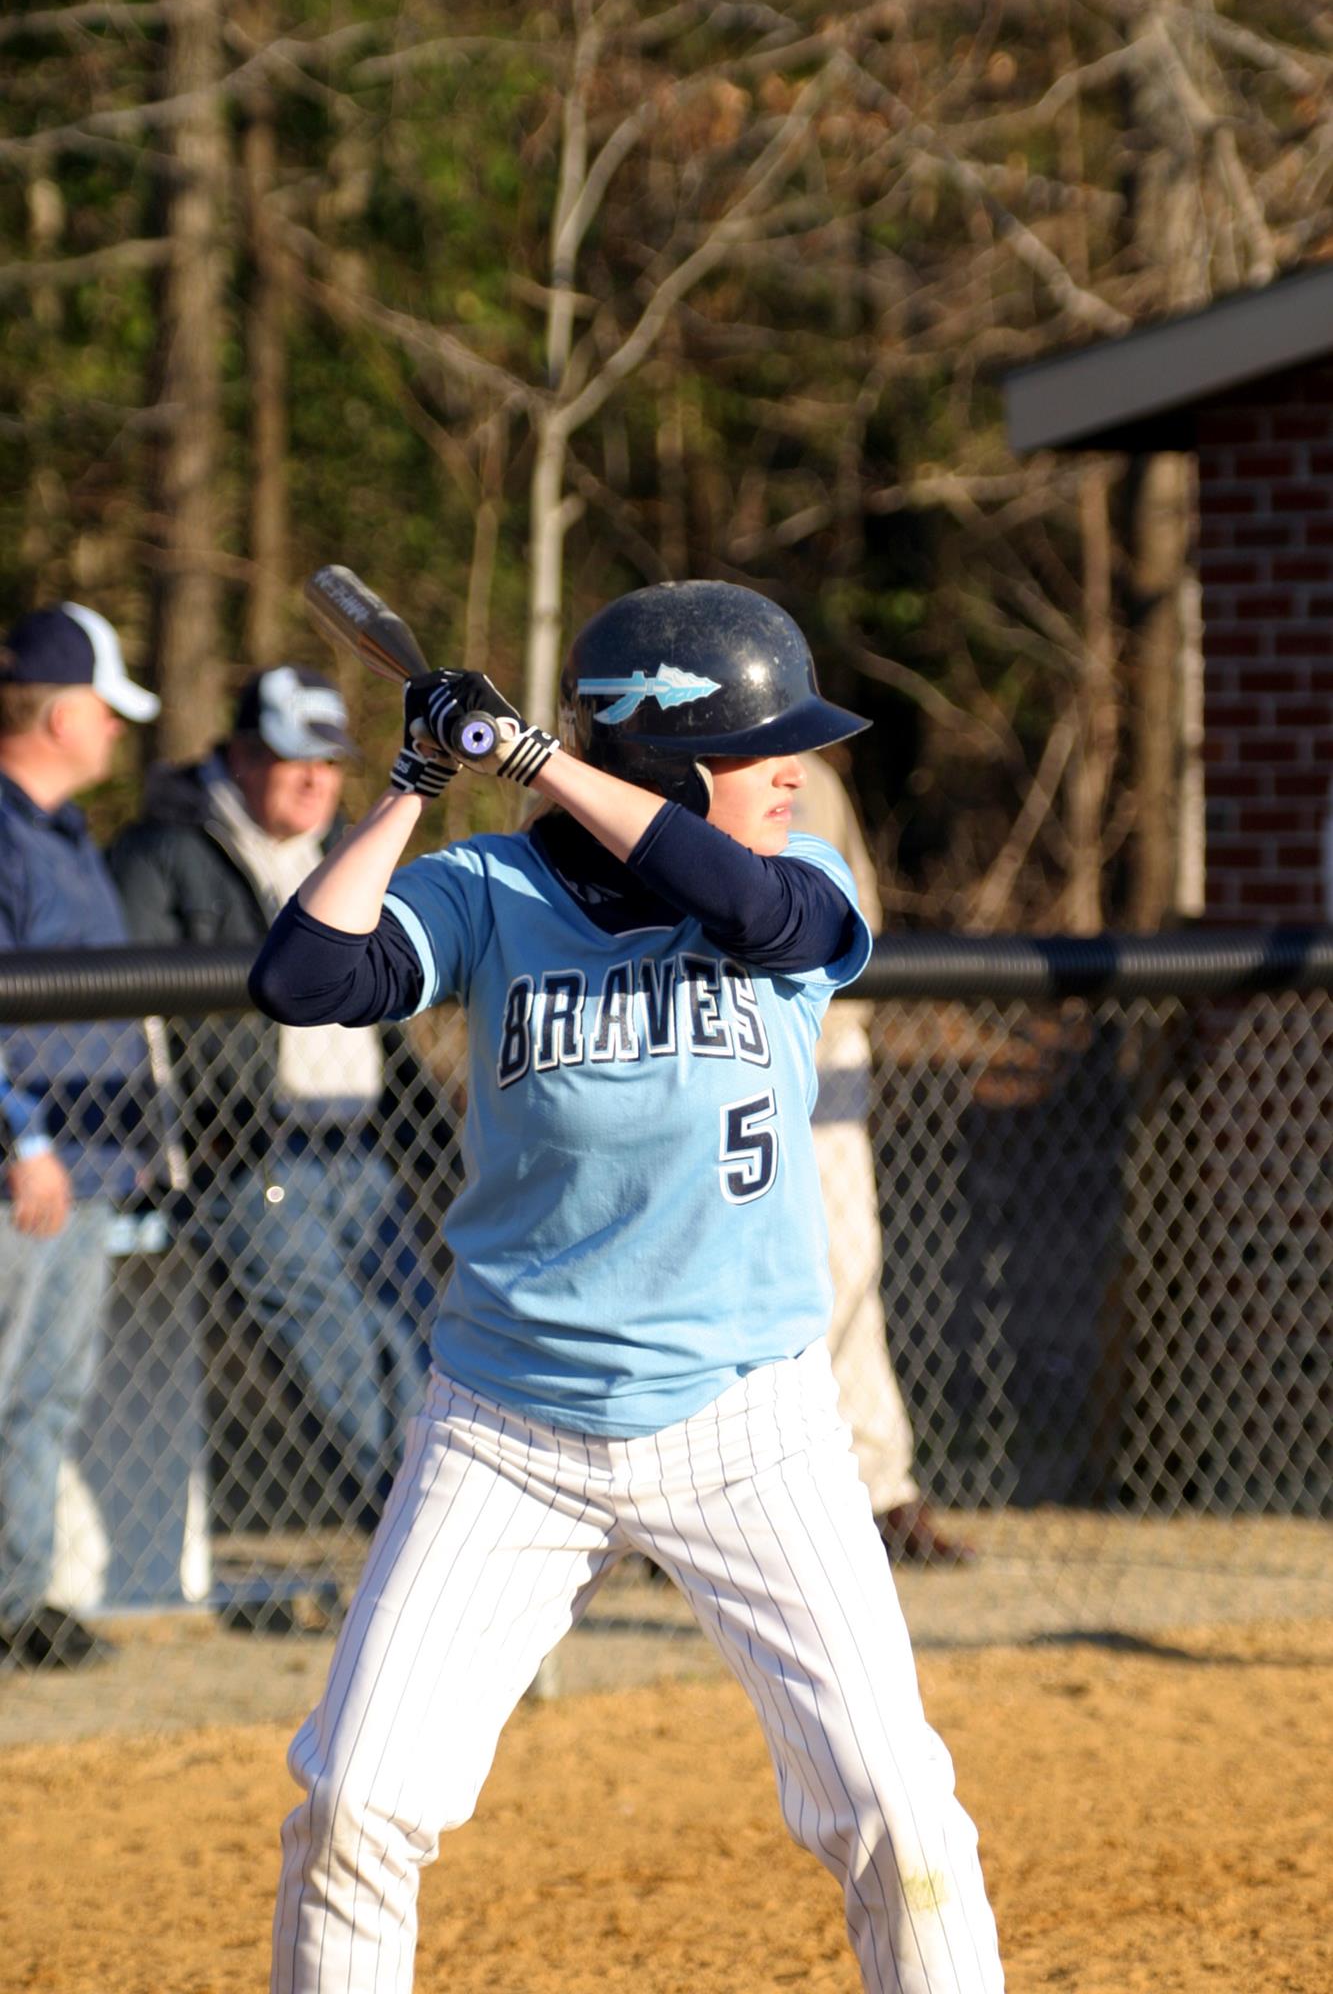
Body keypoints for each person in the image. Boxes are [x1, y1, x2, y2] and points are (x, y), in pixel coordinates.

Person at [251, 581, 1005, 1994]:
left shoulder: (800, 879)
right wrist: (417, 780)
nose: (795, 772)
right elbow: (304, 976)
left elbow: (751, 911)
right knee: (353, 1801)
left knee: (898, 1812)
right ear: (668, 756)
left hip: (751, 1427)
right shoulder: (494, 892)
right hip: (507, 1429)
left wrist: (538, 759)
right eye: (760, 746)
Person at [107, 665, 431, 1528]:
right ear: (243, 756)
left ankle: (427, 1519)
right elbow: (124, 1018)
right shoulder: (166, 852)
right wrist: (165, 1141)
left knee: (420, 1344)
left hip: (360, 1150)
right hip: (245, 1154)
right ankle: (410, 1529)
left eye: (329, 762)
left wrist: (429, 1128)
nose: (316, 781)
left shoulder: (341, 852)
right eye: (295, 760)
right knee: (339, 1360)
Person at [0, 601, 160, 1672]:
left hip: (85, 1165)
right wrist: (23, 1137)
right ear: (60, 715)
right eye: (106, 710)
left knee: (47, 1394)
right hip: (28, 1171)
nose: (115, 731)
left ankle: (16, 1602)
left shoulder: (60, 832)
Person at [793, 751, 976, 1567]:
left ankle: (875, 1489)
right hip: (679, 1063)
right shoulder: (630, 762)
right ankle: (671, 1516)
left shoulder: (808, 776)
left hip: (816, 1053)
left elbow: (850, 918)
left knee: (844, 1263)